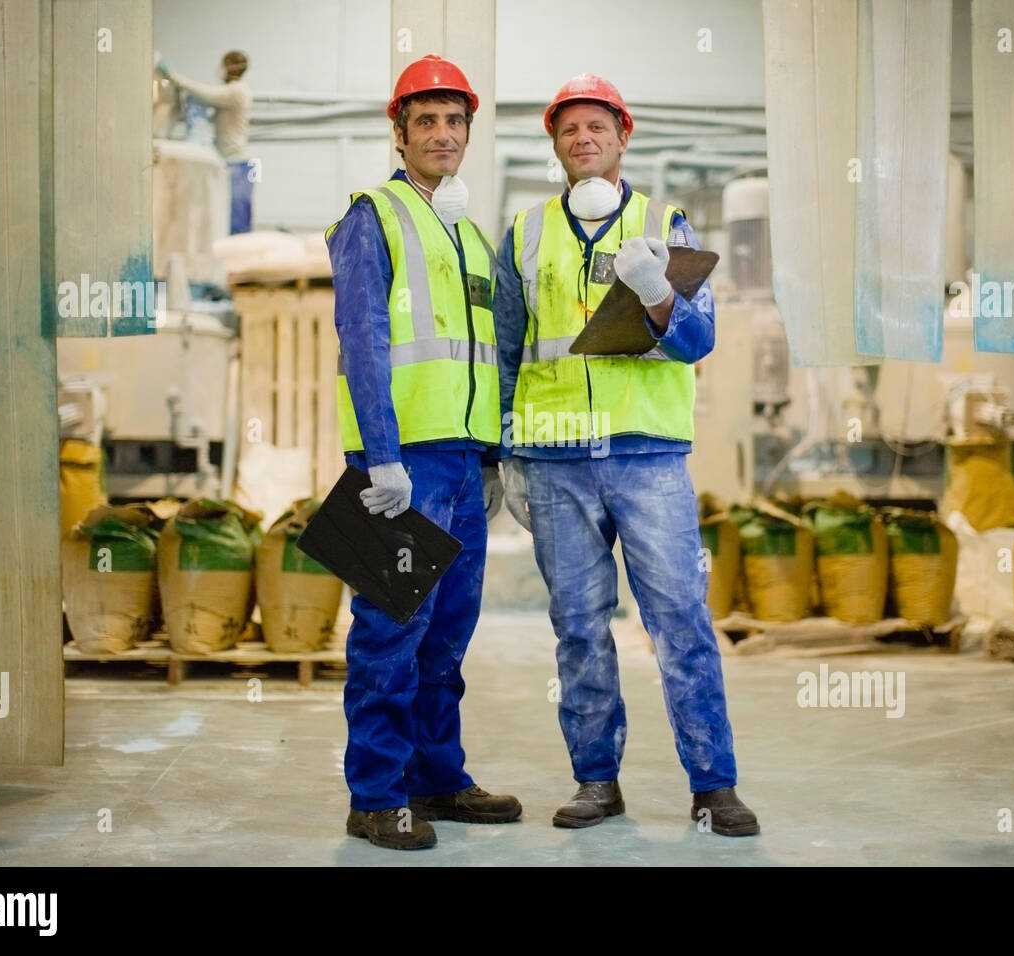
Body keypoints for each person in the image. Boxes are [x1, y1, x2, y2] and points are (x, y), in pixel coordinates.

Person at [493, 74, 758, 837]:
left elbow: (697, 342)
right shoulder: (525, 231)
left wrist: (658, 295)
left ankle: (713, 786)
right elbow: (509, 347)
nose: (583, 139)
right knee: (578, 624)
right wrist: (506, 447)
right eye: (569, 130)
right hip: (554, 462)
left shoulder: (660, 222)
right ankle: (595, 781)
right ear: (555, 145)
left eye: (596, 128)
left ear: (623, 136)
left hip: (647, 458)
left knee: (679, 618)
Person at [323, 55, 519, 851]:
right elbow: (364, 342)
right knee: (390, 632)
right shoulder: (371, 216)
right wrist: (382, 455)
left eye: (455, 121)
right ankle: (375, 794)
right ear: (399, 132)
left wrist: (492, 453)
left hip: (461, 464)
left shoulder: (468, 234)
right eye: (427, 120)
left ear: (469, 132)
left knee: (446, 635)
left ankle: (436, 778)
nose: (443, 133)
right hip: (398, 467)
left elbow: (483, 352)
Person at [157, 51, 255, 233]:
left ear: (231, 67)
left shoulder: (236, 91)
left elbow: (205, 93)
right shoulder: (232, 91)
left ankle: (237, 258)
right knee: (226, 217)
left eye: (224, 64)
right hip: (230, 161)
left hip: (238, 163)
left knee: (236, 220)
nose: (221, 69)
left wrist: (174, 77)